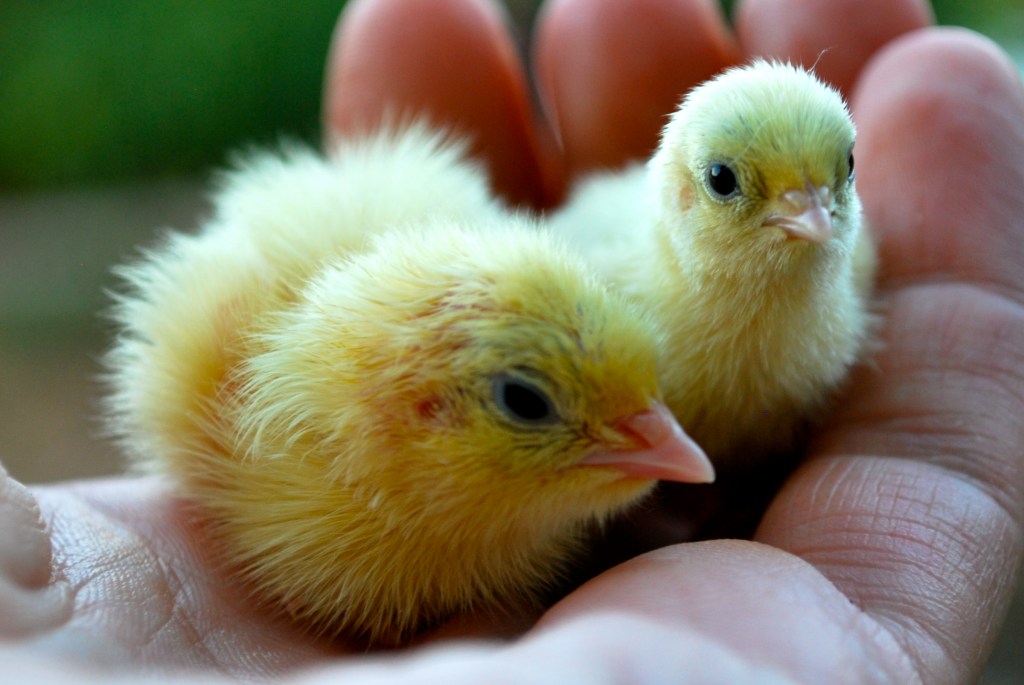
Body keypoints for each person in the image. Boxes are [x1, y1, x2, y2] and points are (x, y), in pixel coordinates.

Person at [3, 0, 1022, 682]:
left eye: (834, 178)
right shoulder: (268, 432)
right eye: (732, 186)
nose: (812, 214)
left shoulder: (622, 309)